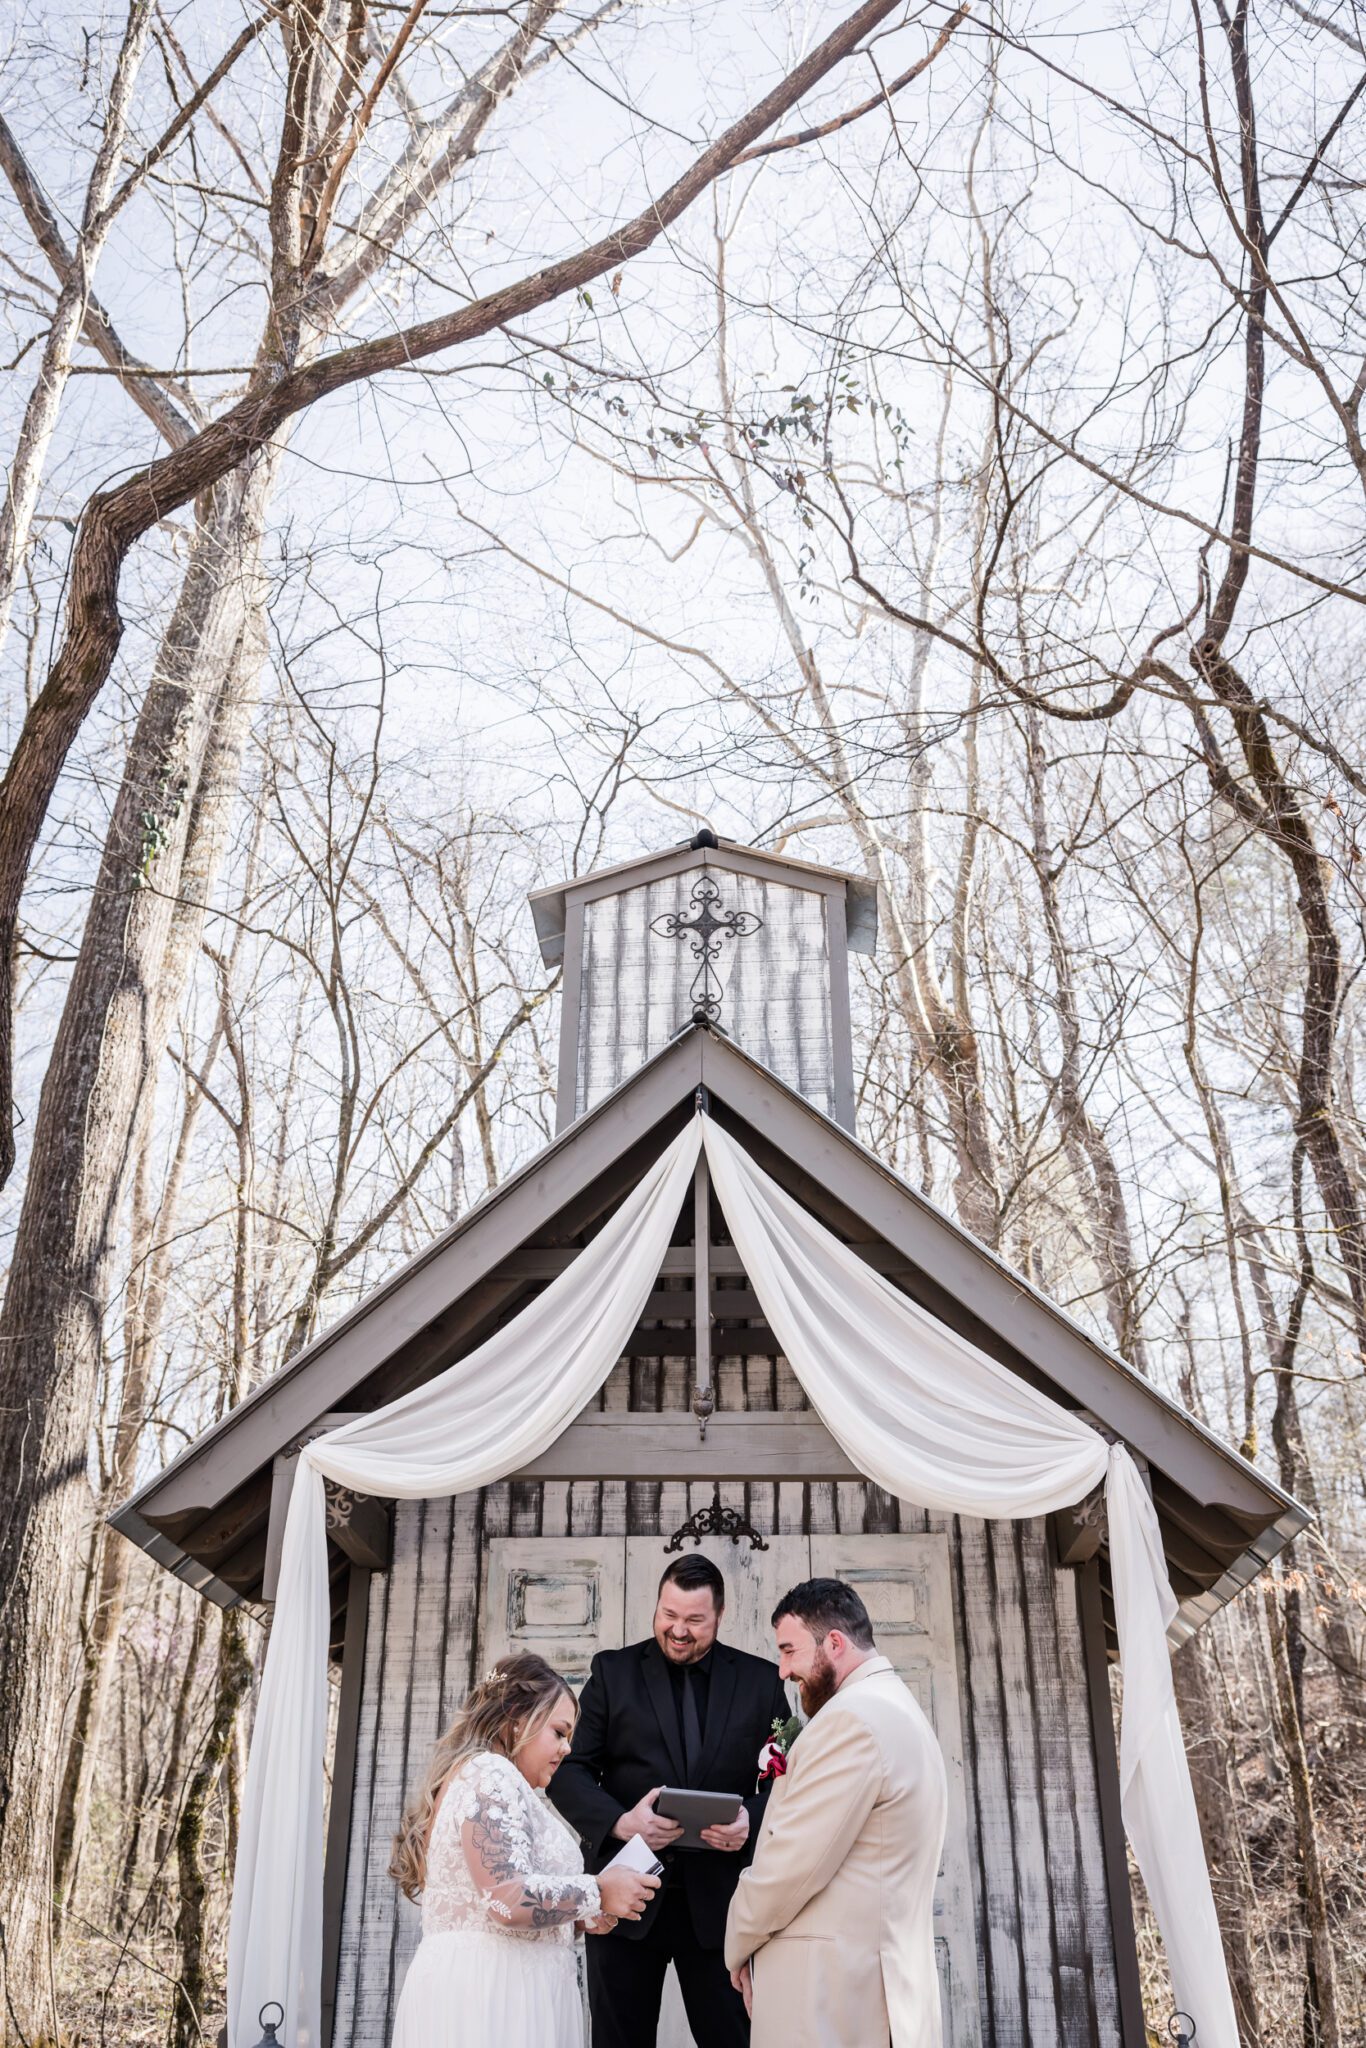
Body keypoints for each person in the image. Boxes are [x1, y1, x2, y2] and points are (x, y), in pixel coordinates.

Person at [549, 1554, 791, 2048]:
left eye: (695, 1620)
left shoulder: (763, 1681)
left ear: (719, 1615)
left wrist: (751, 1819)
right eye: (668, 1614)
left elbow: (789, 1781)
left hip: (723, 1906)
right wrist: (621, 1822)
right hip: (625, 1901)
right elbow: (568, 1770)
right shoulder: (612, 1673)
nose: (678, 1630)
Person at [388, 1651, 659, 2047]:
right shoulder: (492, 1773)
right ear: (516, 1718)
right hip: (494, 1994)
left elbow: (489, 1901)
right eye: (559, 1733)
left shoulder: (483, 1776)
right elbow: (506, 1899)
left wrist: (579, 1917)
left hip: (494, 1981)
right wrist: (598, 1891)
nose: (567, 1749)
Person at [724, 1578, 948, 2048]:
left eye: (790, 1651)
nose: (783, 1670)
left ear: (834, 1643)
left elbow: (792, 1866)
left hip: (833, 1999)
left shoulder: (851, 1720)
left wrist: (737, 1942)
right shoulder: (895, 1707)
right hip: (869, 1987)